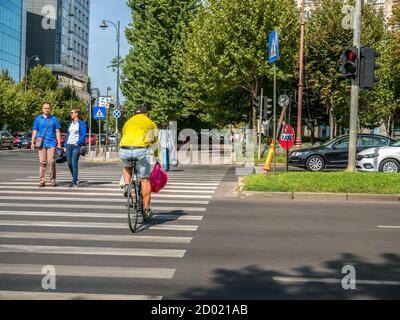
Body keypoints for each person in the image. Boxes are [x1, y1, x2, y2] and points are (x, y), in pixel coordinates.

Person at [119, 105, 158, 219]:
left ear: (135, 114)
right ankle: (146, 209)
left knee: (127, 166)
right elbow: (154, 143)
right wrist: (157, 159)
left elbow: (123, 135)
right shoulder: (150, 123)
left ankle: (127, 187)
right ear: (146, 114)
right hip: (140, 150)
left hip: (124, 150)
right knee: (145, 179)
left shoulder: (127, 122)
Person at [31, 102, 62, 187]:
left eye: (48, 108)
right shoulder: (38, 119)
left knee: (51, 162)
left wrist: (59, 143)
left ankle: (53, 180)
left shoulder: (54, 119)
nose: (47, 110)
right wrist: (32, 141)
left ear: (50, 109)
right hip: (41, 143)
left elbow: (57, 131)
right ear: (42, 109)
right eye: (45, 108)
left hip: (52, 143)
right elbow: (35, 130)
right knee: (42, 162)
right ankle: (42, 181)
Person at [65, 108, 87, 188]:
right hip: (68, 145)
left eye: (72, 113)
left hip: (76, 146)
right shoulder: (70, 123)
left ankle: (74, 182)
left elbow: (83, 134)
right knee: (69, 163)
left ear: (76, 114)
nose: (71, 114)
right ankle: (75, 178)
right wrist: (65, 144)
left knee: (74, 163)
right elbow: (68, 134)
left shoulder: (81, 123)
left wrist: (78, 142)